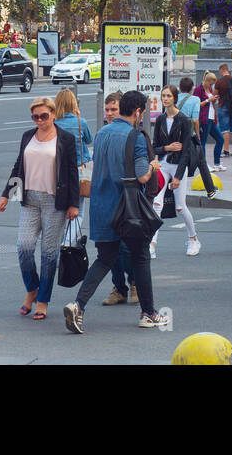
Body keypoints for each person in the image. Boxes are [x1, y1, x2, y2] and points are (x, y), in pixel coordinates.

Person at [64, 90, 163, 333]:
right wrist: (152, 165)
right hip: (127, 210)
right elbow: (141, 176)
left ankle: (78, 306)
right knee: (140, 257)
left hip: (101, 206)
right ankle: (149, 313)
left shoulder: (102, 134)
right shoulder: (135, 136)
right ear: (138, 111)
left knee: (106, 258)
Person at [0, 96, 80, 320]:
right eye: (35, 116)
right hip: (30, 199)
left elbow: (73, 173)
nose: (40, 120)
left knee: (48, 253)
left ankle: (42, 300)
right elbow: (18, 166)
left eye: (44, 116)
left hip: (55, 201)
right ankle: (32, 289)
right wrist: (6, 194)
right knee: (24, 247)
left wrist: (74, 204)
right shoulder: (27, 136)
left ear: (53, 114)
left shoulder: (65, 139)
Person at [98, 92, 138, 307]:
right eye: (108, 110)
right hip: (107, 200)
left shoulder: (132, 134)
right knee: (110, 246)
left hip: (127, 201)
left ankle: (133, 283)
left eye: (114, 109)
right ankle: (119, 287)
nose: (111, 114)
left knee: (125, 247)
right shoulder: (103, 133)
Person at [151, 84, 200, 257]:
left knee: (180, 207)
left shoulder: (184, 120)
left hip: (179, 165)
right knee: (157, 204)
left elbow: (186, 151)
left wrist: (178, 176)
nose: (165, 99)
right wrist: (167, 147)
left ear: (175, 98)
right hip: (163, 165)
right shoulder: (160, 120)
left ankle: (193, 239)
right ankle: (152, 244)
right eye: (163, 96)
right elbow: (154, 147)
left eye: (168, 96)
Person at [175, 77, 216, 200]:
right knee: (201, 161)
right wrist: (197, 134)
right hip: (190, 136)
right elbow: (195, 120)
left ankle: (171, 188)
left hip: (176, 135)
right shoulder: (195, 99)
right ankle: (210, 190)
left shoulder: (175, 99)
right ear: (192, 88)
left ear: (180, 87)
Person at [53, 88, 94, 186]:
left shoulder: (53, 123)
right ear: (74, 104)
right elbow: (89, 140)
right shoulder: (80, 122)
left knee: (60, 200)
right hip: (77, 167)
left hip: (59, 168)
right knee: (78, 199)